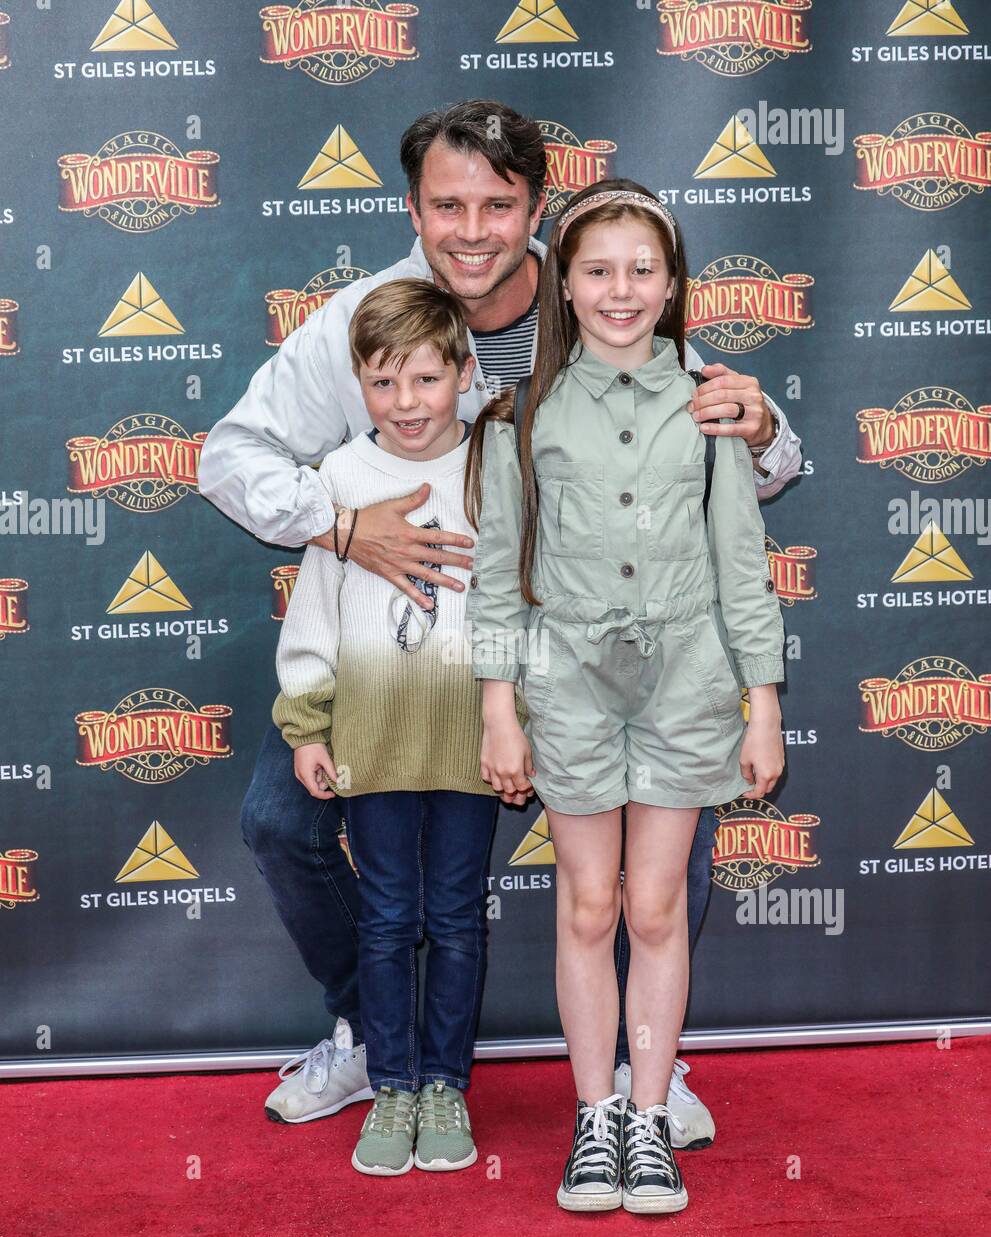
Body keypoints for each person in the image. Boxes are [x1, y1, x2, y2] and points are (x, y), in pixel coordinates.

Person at [197, 101, 803, 1133]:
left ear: (536, 211)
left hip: (582, 641)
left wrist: (759, 428)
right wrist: (342, 527)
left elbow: (755, 455)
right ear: (412, 207)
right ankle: (366, 1034)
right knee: (279, 820)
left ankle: (641, 1065)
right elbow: (228, 456)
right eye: (446, 205)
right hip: (408, 650)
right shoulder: (363, 316)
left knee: (670, 830)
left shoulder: (596, 300)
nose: (470, 230)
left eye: (497, 204)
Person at [463, 179, 786, 1213]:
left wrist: (762, 700)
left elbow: (742, 563)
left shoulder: (711, 404)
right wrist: (498, 703)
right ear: (563, 280)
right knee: (587, 903)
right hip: (567, 686)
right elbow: (497, 571)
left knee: (654, 907)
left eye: (643, 270)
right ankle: (592, 1118)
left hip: (687, 683)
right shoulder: (522, 414)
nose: (620, 289)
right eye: (597, 269)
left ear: (674, 283)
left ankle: (649, 1117)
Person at [273, 278, 527, 1176]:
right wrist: (308, 725)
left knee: (456, 917)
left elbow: (525, 602)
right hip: (372, 745)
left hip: (470, 736)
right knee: (387, 920)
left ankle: (444, 1084)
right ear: (359, 384)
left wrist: (519, 719)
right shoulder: (338, 480)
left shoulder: (497, 466)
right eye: (383, 384)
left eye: (424, 380)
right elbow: (312, 616)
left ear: (464, 373)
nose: (405, 403)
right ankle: (390, 1086)